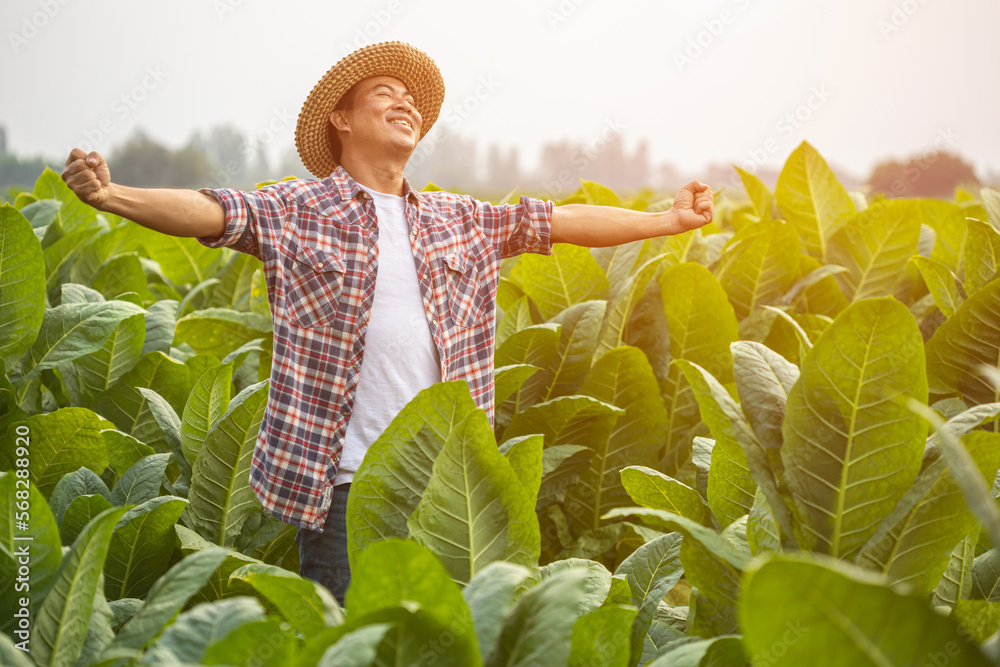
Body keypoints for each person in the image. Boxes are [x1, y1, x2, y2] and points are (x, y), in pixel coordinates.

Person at [60, 41, 714, 606]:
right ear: (341, 118)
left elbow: (559, 222)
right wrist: (111, 196)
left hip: (444, 485)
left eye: (413, 99)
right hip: (346, 488)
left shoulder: (456, 219)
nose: (407, 102)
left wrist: (667, 220)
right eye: (385, 92)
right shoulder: (300, 208)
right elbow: (211, 210)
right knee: (354, 641)